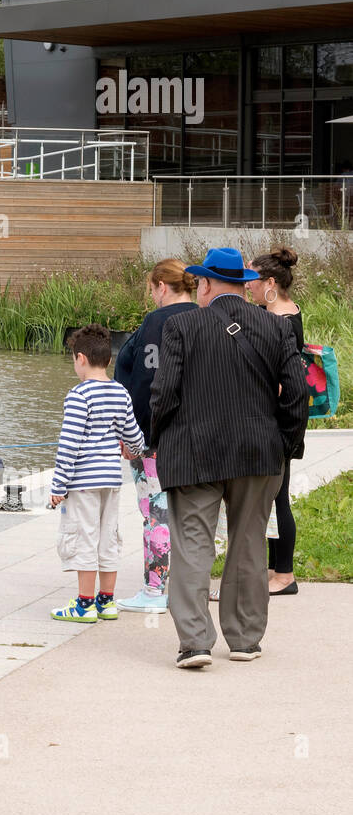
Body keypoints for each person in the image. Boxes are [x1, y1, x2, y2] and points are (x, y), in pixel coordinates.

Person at [148, 247, 308, 669]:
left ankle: (195, 643)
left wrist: (156, 438)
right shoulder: (277, 328)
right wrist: (285, 444)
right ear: (241, 284)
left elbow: (164, 394)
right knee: (250, 543)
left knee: (193, 545)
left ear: (205, 285)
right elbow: (297, 394)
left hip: (194, 452)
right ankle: (244, 639)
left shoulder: (182, 327)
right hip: (258, 452)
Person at [111, 259, 198, 612]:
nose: (152, 295)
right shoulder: (204, 316)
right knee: (191, 512)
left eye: (151, 288)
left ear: (162, 286)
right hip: (197, 436)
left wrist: (134, 436)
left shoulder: (155, 323)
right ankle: (189, 584)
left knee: (155, 513)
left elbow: (145, 381)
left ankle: (154, 589)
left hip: (155, 439)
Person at [47, 325, 146, 623]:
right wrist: (133, 450)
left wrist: (58, 485)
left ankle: (84, 604)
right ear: (108, 358)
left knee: (84, 539)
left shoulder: (78, 395)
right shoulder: (121, 392)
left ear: (80, 358)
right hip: (111, 480)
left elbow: (69, 444)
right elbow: (134, 436)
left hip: (84, 481)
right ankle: (107, 601)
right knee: (109, 537)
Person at [246, 247, 305, 597]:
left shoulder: (281, 322)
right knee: (272, 495)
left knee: (278, 496)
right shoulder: (280, 312)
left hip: (279, 419)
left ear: (270, 282)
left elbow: (282, 379)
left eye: (253, 280)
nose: (249, 286)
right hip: (278, 417)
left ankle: (285, 574)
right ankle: (273, 568)